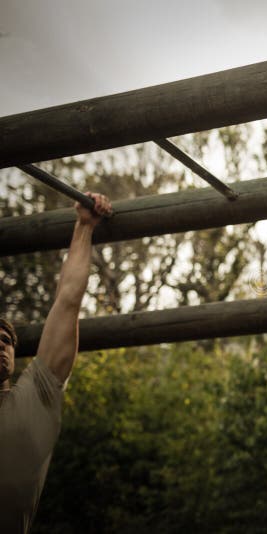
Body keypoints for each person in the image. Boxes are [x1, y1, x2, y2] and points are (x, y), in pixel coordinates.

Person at [0, 192, 113, 534]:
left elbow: (67, 302)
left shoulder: (34, 398)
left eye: (7, 341)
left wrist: (84, 226)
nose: (2, 344)